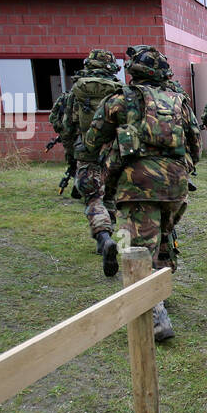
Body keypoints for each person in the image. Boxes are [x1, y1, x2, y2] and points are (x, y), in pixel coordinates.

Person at [77, 45, 200, 341]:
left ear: (133, 71)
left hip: (137, 183)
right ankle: (162, 288)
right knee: (163, 234)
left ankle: (156, 316)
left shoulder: (119, 100)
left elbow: (93, 140)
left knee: (141, 248)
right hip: (175, 183)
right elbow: (195, 143)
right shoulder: (179, 100)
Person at [57, 49, 124, 263]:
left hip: (87, 152)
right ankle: (110, 232)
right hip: (114, 152)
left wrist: (71, 154)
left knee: (94, 197)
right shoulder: (121, 92)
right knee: (111, 194)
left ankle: (103, 238)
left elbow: (66, 127)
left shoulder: (76, 92)